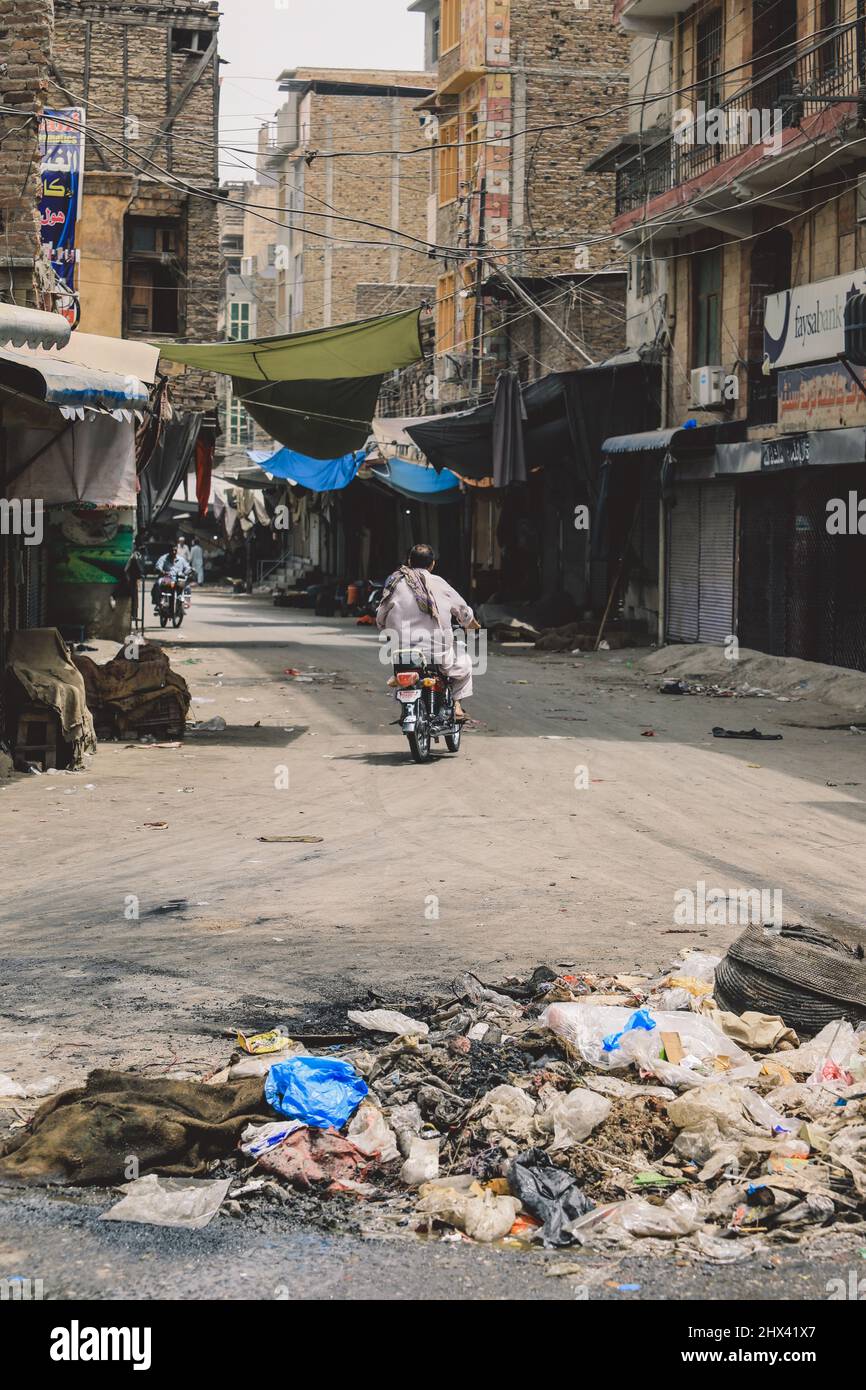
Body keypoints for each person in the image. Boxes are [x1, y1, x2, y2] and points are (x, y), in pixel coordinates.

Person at [376, 543, 479, 721]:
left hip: (402, 652)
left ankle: (408, 706)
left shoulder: (395, 584)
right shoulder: (439, 583)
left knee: (401, 673)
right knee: (464, 662)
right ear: (432, 564)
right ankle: (456, 705)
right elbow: (463, 611)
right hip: (436, 652)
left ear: (409, 561)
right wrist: (470, 623)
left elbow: (380, 617)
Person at [152, 543, 191, 612]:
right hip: (167, 578)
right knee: (158, 584)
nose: (174, 552)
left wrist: (188, 572)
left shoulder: (181, 559)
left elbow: (188, 568)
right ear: (168, 551)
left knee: (187, 586)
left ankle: (184, 603)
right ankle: (159, 603)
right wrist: (163, 572)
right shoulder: (163, 558)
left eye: (175, 550)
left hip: (179, 579)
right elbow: (158, 567)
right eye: (172, 550)